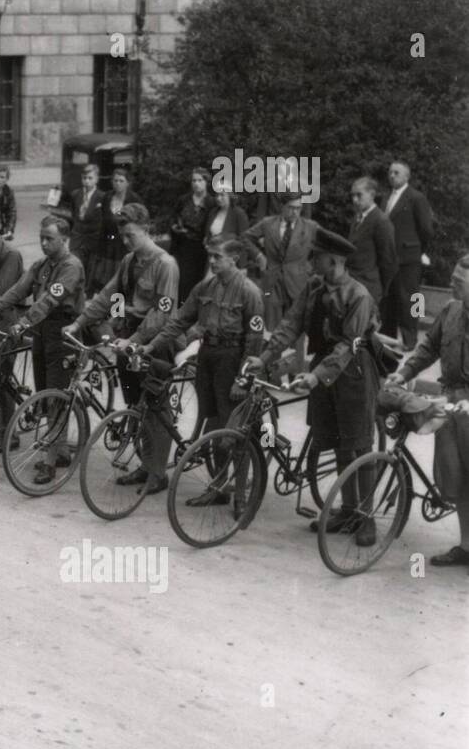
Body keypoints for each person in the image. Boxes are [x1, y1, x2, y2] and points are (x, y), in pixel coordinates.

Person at [248, 228, 381, 544]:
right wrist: (265, 358)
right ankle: (348, 511)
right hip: (325, 367)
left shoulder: (358, 296)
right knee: (336, 441)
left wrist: (315, 375)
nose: (310, 262)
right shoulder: (313, 286)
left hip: (355, 373)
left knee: (359, 445)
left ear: (333, 261)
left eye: (316, 257)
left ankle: (368, 518)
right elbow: (291, 324)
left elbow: (349, 344)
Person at [66, 204, 180, 495]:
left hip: (152, 343)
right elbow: (108, 295)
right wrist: (79, 322)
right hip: (128, 337)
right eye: (123, 236)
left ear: (147, 230)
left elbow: (162, 312)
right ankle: (145, 465)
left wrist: (135, 341)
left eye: (131, 235)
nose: (126, 242)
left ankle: (157, 473)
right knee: (135, 406)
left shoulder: (166, 265)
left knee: (155, 407)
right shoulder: (130, 261)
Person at [0, 215, 83, 482]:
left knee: (54, 397)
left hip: (63, 333)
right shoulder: (41, 265)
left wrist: (22, 323)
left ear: (64, 240)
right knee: (45, 394)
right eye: (41, 237)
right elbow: (17, 292)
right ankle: (61, 447)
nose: (43, 243)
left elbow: (50, 300)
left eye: (49, 239)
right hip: (42, 332)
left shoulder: (71, 266)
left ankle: (49, 462)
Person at [145, 237, 265, 493]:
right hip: (208, 357)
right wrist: (152, 345)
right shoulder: (205, 287)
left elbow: (254, 342)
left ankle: (241, 494)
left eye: (217, 257)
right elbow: (180, 320)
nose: (211, 261)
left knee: (232, 434)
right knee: (211, 425)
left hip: (232, 362)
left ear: (234, 259)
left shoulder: (250, 292)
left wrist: (242, 380)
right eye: (210, 256)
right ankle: (218, 487)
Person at [387, 253, 469, 569]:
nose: (451, 284)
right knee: (457, 478)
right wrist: (404, 373)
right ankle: (466, 546)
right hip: (450, 402)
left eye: (458, 281)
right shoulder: (450, 310)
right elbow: (429, 348)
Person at [246, 193, 317, 377]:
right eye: (291, 207)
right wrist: (259, 256)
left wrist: (308, 268)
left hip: (298, 284)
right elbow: (246, 237)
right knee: (273, 329)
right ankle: (273, 374)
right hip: (273, 283)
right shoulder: (268, 223)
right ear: (282, 206)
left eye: (299, 208)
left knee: (298, 330)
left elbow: (322, 249)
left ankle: (297, 375)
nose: (295, 212)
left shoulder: (309, 227)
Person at [382, 161, 434, 351]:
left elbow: (426, 229)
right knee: (388, 301)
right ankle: (387, 340)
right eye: (390, 172)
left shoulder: (416, 198)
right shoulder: (386, 197)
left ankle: (410, 340)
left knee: (411, 299)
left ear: (406, 176)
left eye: (396, 172)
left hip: (409, 258)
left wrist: (419, 251)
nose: (392, 176)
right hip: (388, 259)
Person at [90, 167, 146, 293]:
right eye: (115, 180)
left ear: (127, 183)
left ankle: (122, 305)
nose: (118, 184)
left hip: (126, 244)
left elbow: (141, 222)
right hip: (109, 242)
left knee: (124, 277)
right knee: (106, 278)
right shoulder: (107, 197)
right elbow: (104, 221)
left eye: (121, 181)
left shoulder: (134, 199)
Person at [346, 174, 397, 309]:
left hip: (368, 289)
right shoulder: (357, 218)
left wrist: (380, 290)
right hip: (352, 286)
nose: (355, 200)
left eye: (359, 195)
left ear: (372, 195)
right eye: (352, 196)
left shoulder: (381, 221)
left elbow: (388, 262)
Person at [170, 168, 211, 302]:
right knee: (182, 281)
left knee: (197, 281)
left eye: (200, 180)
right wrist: (175, 228)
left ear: (206, 182)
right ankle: (180, 312)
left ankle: (193, 313)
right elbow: (173, 218)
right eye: (194, 180)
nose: (196, 183)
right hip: (182, 246)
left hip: (200, 248)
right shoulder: (184, 200)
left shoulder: (211, 202)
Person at [63, 163, 106, 289]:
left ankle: (86, 291)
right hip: (77, 236)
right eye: (84, 178)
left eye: (90, 178)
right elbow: (73, 215)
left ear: (97, 179)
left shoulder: (102, 197)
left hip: (93, 238)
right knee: (74, 264)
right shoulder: (76, 194)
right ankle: (72, 288)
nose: (87, 181)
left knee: (90, 267)